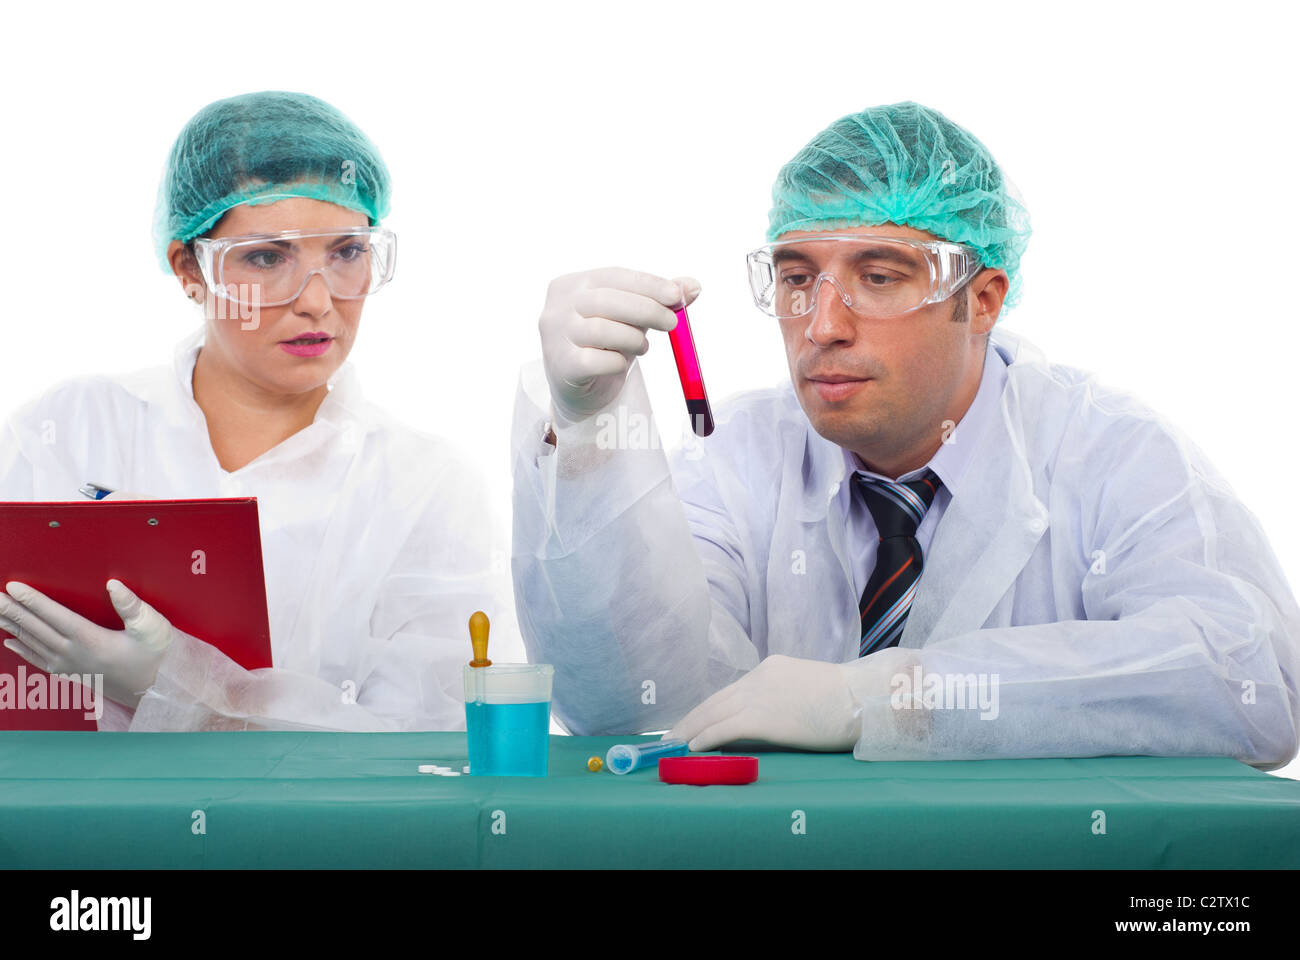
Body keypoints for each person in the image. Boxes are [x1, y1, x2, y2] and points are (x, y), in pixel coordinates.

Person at [510, 101, 1300, 769]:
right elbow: (632, 707)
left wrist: (896, 697)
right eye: (796, 277)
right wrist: (587, 438)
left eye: (878, 277)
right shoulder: (736, 458)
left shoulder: (1107, 453)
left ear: (982, 299)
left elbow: (1249, 678)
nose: (820, 326)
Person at [0, 90, 518, 731]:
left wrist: (179, 692)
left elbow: (423, 748)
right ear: (189, 267)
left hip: (305, 838)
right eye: (268, 257)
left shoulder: (426, 486)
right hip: (66, 831)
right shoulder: (71, 430)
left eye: (347, 252)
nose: (318, 301)